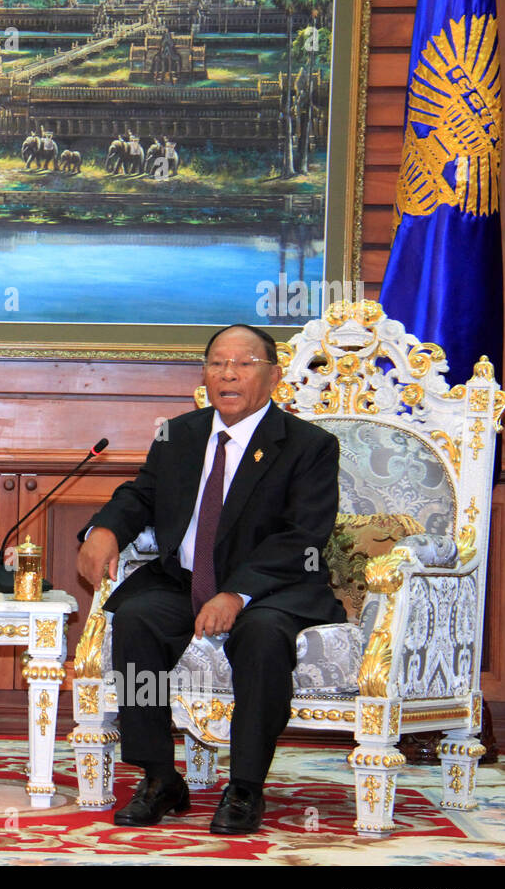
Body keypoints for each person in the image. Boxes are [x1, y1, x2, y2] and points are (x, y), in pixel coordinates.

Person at [76, 324, 343, 835]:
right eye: (217, 363)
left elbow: (304, 536)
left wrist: (236, 591)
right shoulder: (180, 433)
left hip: (274, 588)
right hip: (186, 581)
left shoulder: (308, 446)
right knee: (135, 618)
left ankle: (244, 787)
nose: (228, 373)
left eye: (244, 363)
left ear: (273, 376)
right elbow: (141, 495)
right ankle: (158, 777)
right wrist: (104, 528)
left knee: (262, 636)